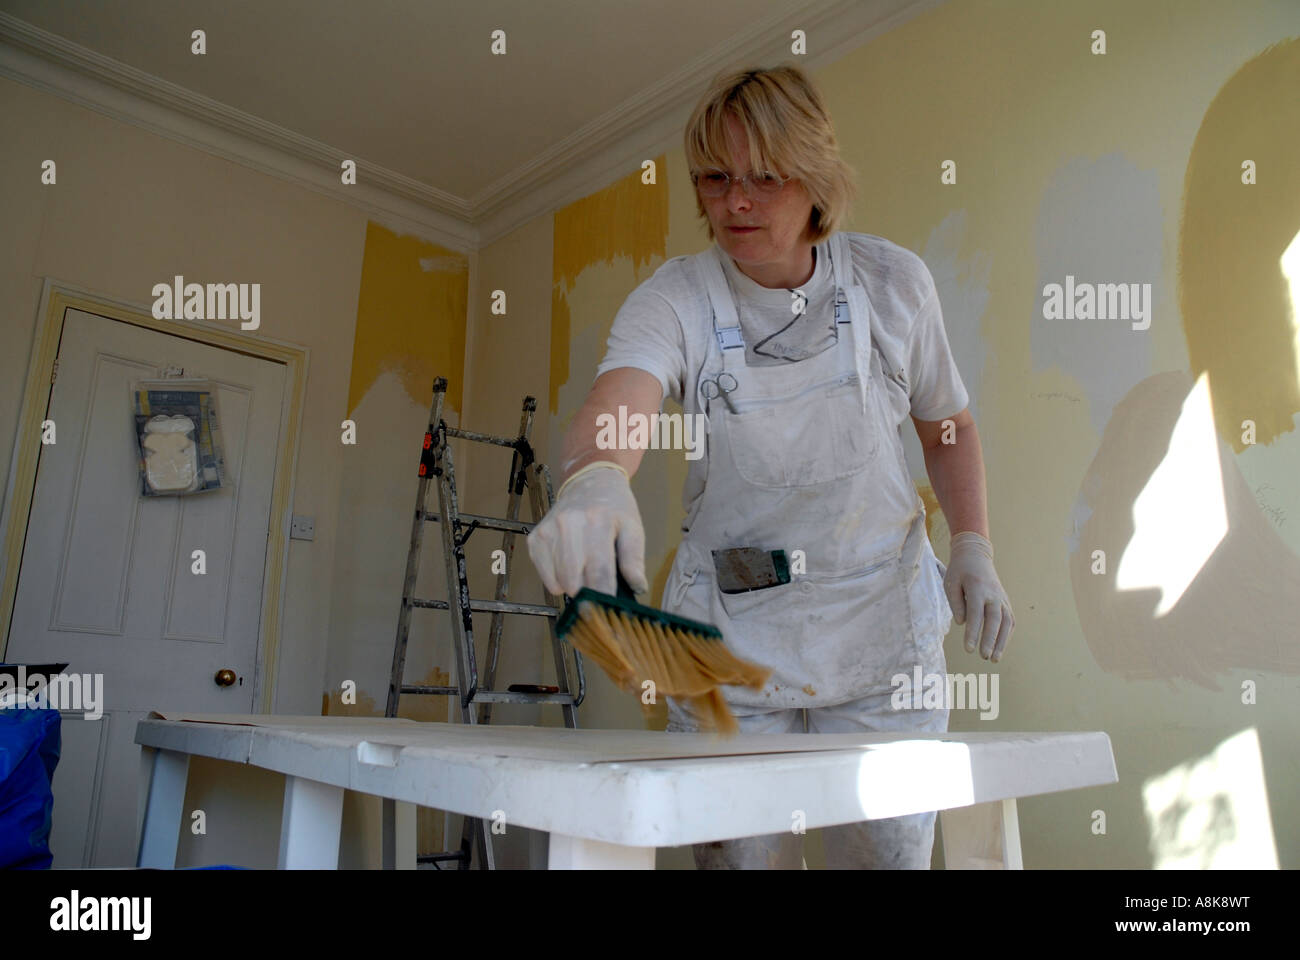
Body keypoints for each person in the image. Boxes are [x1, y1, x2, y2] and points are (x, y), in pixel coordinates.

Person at [527, 65, 1014, 869]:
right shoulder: (677, 297)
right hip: (735, 638)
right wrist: (595, 476)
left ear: (819, 180)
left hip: (883, 635)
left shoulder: (895, 286)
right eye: (714, 179)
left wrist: (974, 545)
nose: (735, 203)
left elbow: (949, 424)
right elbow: (623, 397)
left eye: (764, 177)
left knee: (886, 860)